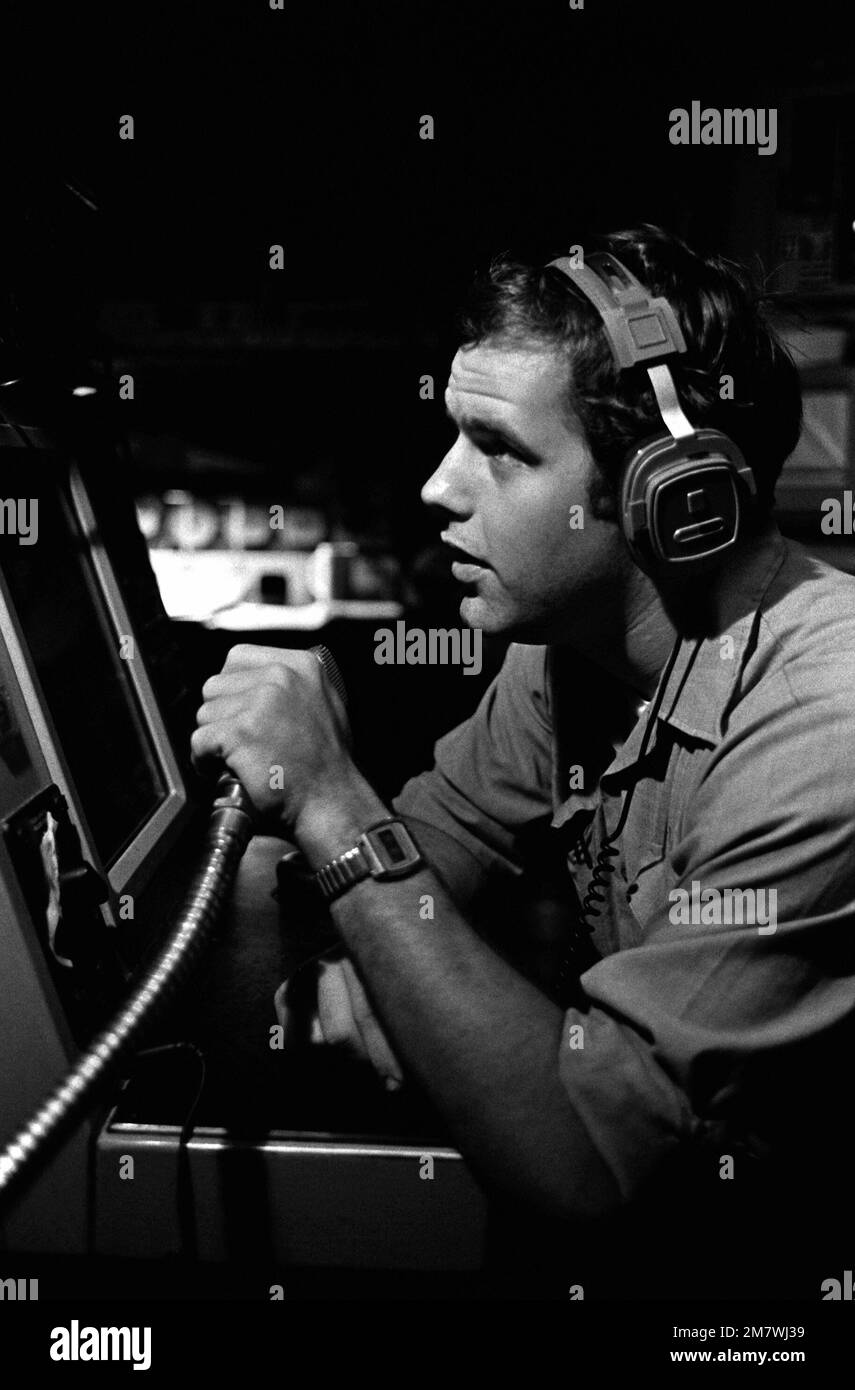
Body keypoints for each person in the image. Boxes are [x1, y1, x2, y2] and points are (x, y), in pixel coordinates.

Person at [192, 226, 855, 1298]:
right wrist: (380, 940)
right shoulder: (568, 661)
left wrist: (331, 801)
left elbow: (589, 1166)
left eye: (499, 449)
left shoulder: (827, 729)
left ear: (672, 494)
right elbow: (425, 857)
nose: (437, 487)